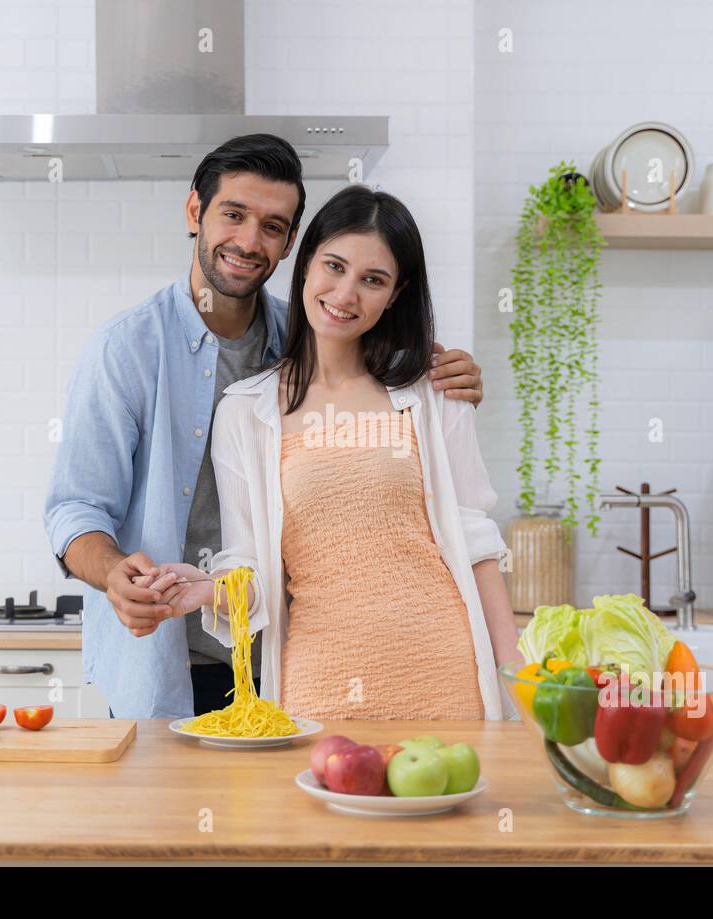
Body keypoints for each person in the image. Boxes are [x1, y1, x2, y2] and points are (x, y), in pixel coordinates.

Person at [43, 135, 486, 719]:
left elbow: (400, 399)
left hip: (289, 659)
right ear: (195, 211)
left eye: (273, 227)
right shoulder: (125, 350)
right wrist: (113, 574)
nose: (250, 242)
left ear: (290, 243)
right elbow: (75, 508)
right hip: (171, 660)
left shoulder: (314, 333)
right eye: (233, 214)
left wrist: (449, 377)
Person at [156, 185, 522, 720]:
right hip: (320, 685)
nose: (346, 294)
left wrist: (518, 678)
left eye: (372, 280)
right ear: (305, 264)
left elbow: (477, 545)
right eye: (334, 266)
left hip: (447, 679)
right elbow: (250, 567)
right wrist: (208, 590)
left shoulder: (434, 392)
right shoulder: (245, 411)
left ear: (394, 295)